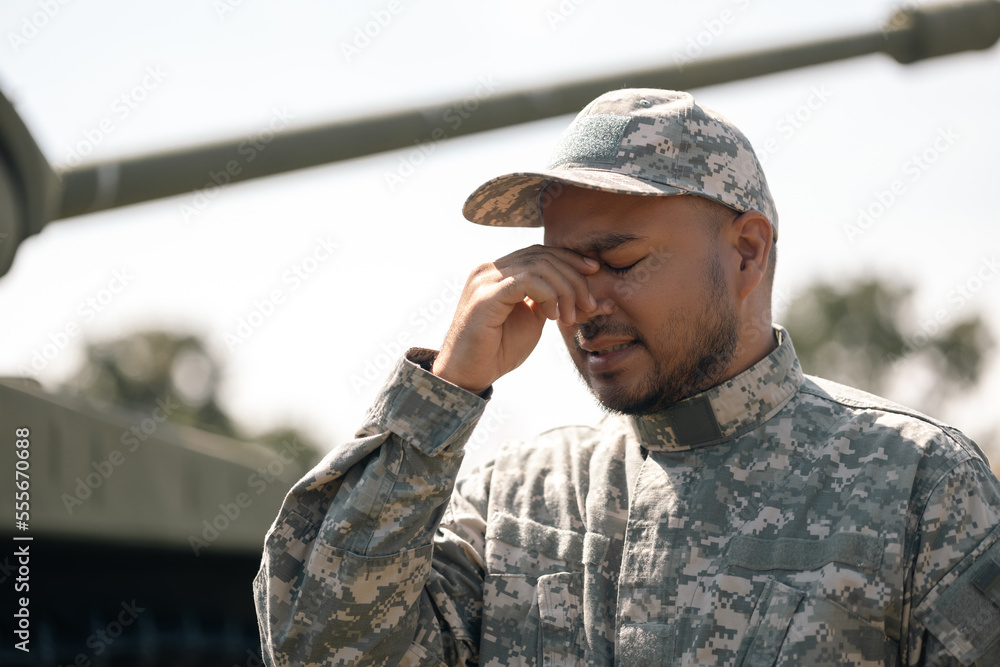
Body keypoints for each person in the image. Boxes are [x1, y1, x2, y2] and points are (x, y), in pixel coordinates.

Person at [253, 89, 1000, 666]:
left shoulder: (918, 485)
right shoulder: (513, 498)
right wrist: (443, 393)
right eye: (558, 268)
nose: (581, 305)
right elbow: (318, 647)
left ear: (746, 252)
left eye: (618, 262)